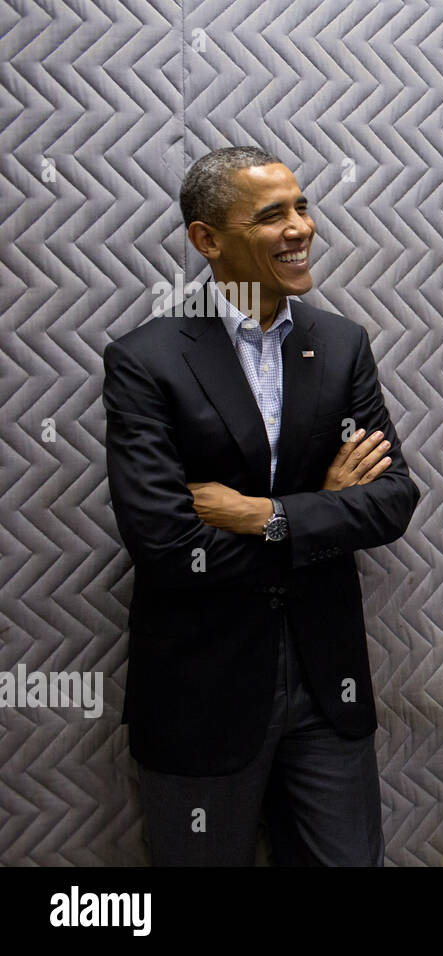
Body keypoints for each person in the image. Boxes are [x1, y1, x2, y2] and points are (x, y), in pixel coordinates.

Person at [102, 145, 419, 865]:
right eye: (272, 215)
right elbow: (165, 545)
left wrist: (263, 514)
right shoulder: (146, 361)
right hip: (201, 695)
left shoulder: (340, 346)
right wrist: (324, 512)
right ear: (206, 239)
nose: (300, 227)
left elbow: (393, 500)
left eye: (303, 207)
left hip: (327, 689)